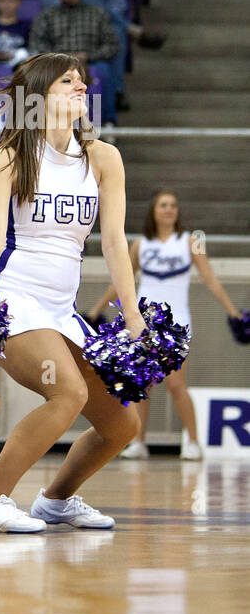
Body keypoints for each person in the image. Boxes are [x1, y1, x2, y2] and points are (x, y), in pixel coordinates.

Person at [0, 52, 141, 532]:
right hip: (11, 300)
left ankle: (56, 499)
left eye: (82, 81)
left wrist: (134, 313)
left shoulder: (103, 158)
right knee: (68, 394)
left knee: (122, 426)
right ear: (37, 98)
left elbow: (116, 242)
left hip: (62, 309)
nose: (80, 88)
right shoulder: (10, 157)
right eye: (66, 81)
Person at [88, 190, 243, 461]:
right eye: (163, 205)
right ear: (154, 211)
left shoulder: (191, 241)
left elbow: (210, 279)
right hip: (144, 321)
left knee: (175, 385)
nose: (169, 209)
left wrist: (234, 313)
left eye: (173, 205)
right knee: (141, 382)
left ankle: (193, 443)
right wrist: (96, 310)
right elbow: (120, 282)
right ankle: (138, 442)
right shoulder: (139, 245)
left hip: (177, 324)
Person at [28, 0, 121, 123]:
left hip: (90, 63)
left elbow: (112, 45)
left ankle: (107, 122)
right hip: (57, 64)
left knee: (103, 71)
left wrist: (87, 56)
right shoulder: (48, 15)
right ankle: (40, 124)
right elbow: (36, 43)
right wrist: (59, 58)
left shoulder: (96, 13)